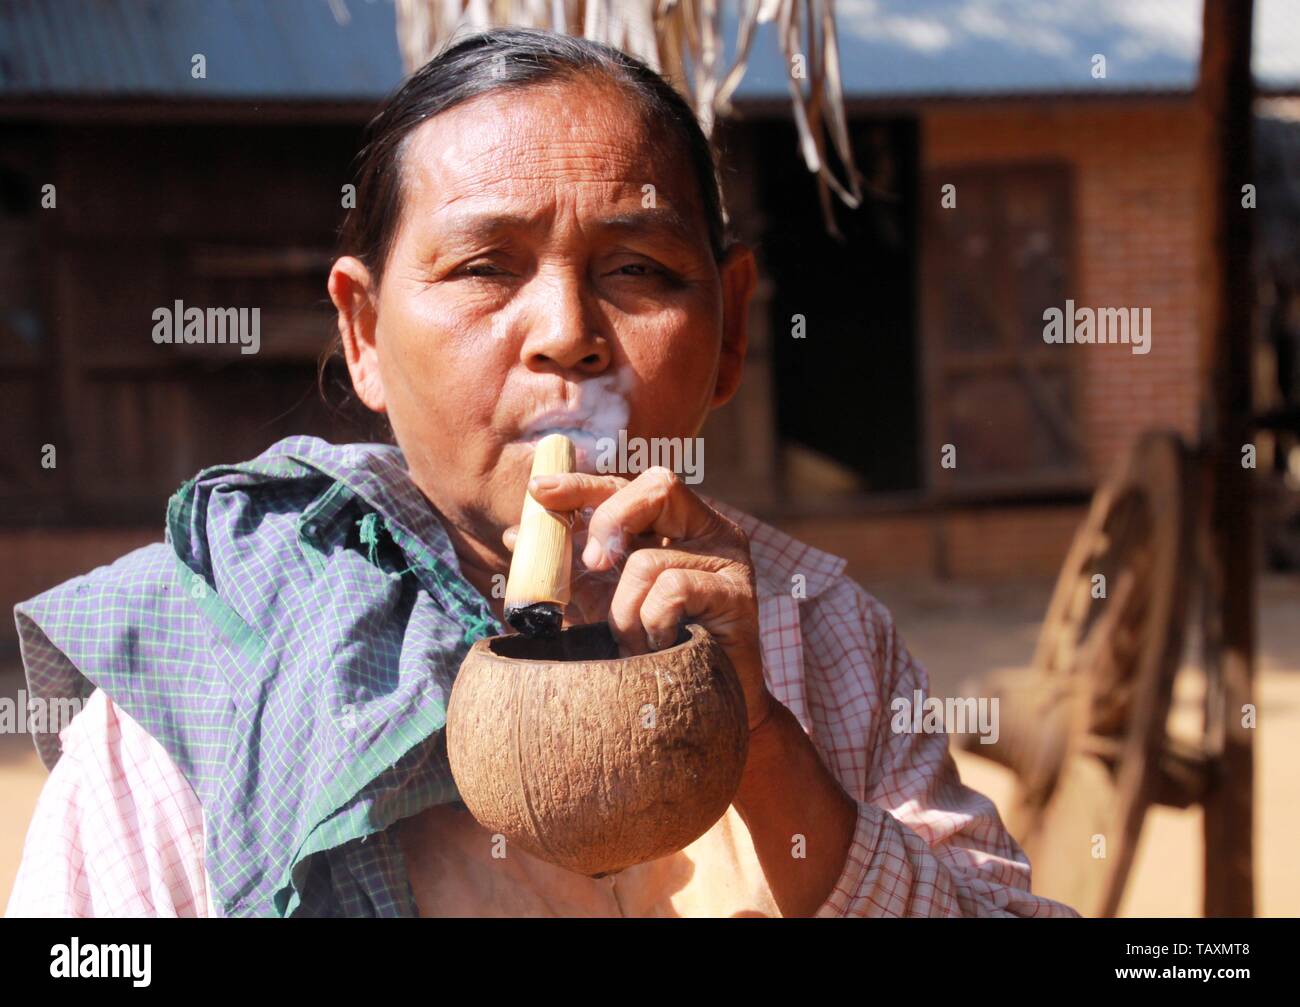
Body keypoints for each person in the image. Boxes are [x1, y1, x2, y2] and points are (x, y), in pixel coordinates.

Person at [6, 27, 1078, 919]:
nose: (567, 335)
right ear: (366, 331)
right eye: (484, 267)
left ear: (733, 326)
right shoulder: (214, 674)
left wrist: (760, 742)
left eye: (639, 271)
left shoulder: (815, 631)